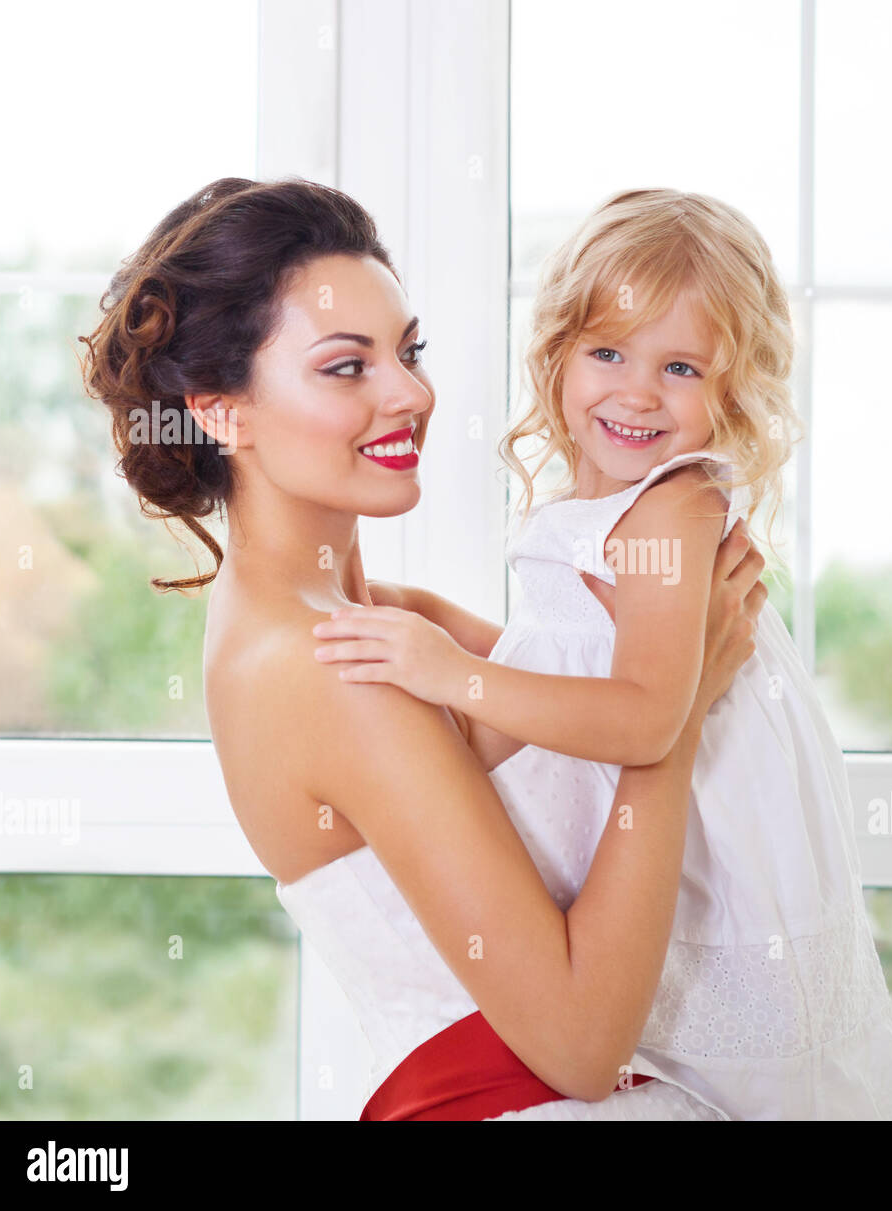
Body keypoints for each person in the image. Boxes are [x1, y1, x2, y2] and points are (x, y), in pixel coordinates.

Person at [79, 177, 767, 1120]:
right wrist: (675, 721)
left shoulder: (389, 618)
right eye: (345, 366)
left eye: (409, 351)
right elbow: (577, 1046)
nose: (412, 393)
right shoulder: (333, 664)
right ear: (222, 410)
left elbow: (592, 694)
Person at [312, 189, 892, 1119]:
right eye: (607, 352)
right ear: (558, 355)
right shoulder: (602, 512)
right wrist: (433, 614)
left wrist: (450, 672)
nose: (637, 392)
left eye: (680, 366)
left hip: (716, 869)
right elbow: (570, 657)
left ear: (732, 390)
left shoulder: (674, 507)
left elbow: (643, 714)